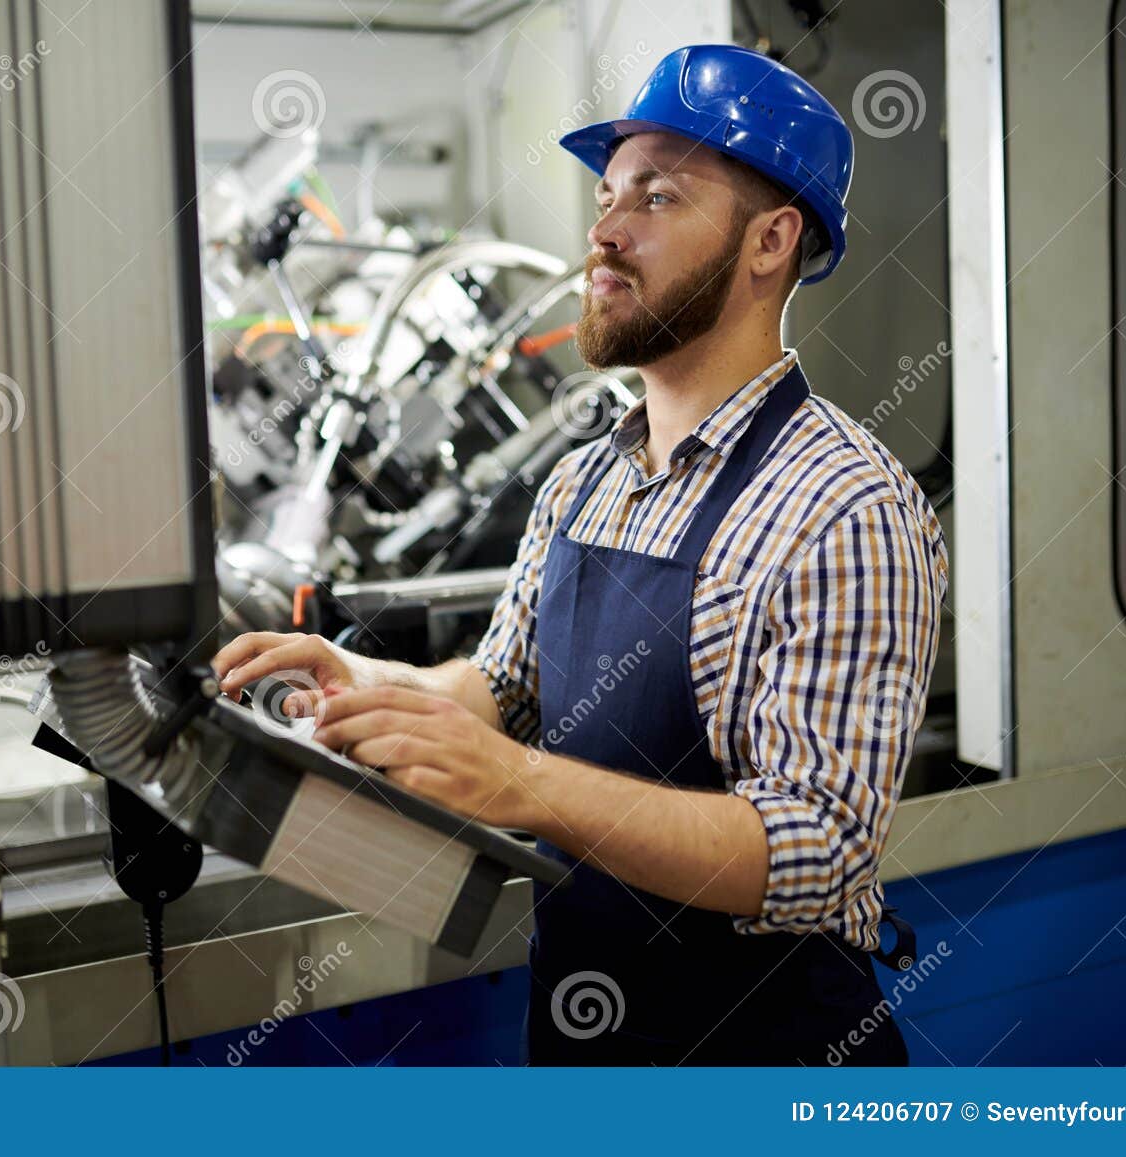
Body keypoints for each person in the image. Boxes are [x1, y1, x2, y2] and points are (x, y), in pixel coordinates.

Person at [213, 44, 948, 1066]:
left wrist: (522, 785)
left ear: (770, 240)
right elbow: (502, 686)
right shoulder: (583, 482)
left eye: (655, 197)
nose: (602, 232)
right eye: (606, 196)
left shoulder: (845, 504)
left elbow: (816, 851)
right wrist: (364, 682)